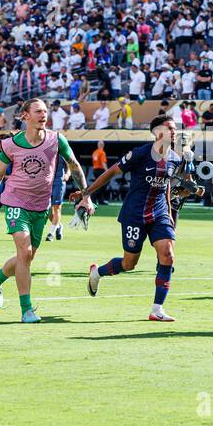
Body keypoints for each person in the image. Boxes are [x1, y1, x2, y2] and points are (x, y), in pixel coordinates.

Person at [0, 98, 91, 323]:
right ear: (25, 116)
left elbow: (74, 165)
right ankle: (27, 310)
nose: (44, 115)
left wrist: (86, 196)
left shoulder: (56, 139)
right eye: (38, 111)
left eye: (45, 111)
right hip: (15, 202)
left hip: (41, 206)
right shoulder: (12, 144)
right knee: (24, 252)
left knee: (28, 256)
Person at [80, 114, 184, 321]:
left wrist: (170, 214)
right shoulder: (140, 153)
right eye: (169, 128)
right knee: (129, 264)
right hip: (134, 214)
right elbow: (111, 172)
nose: (173, 131)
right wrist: (87, 192)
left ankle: (157, 309)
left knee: (168, 255)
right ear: (156, 132)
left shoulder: (175, 157)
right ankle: (97, 273)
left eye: (174, 128)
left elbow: (167, 185)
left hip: (160, 213)